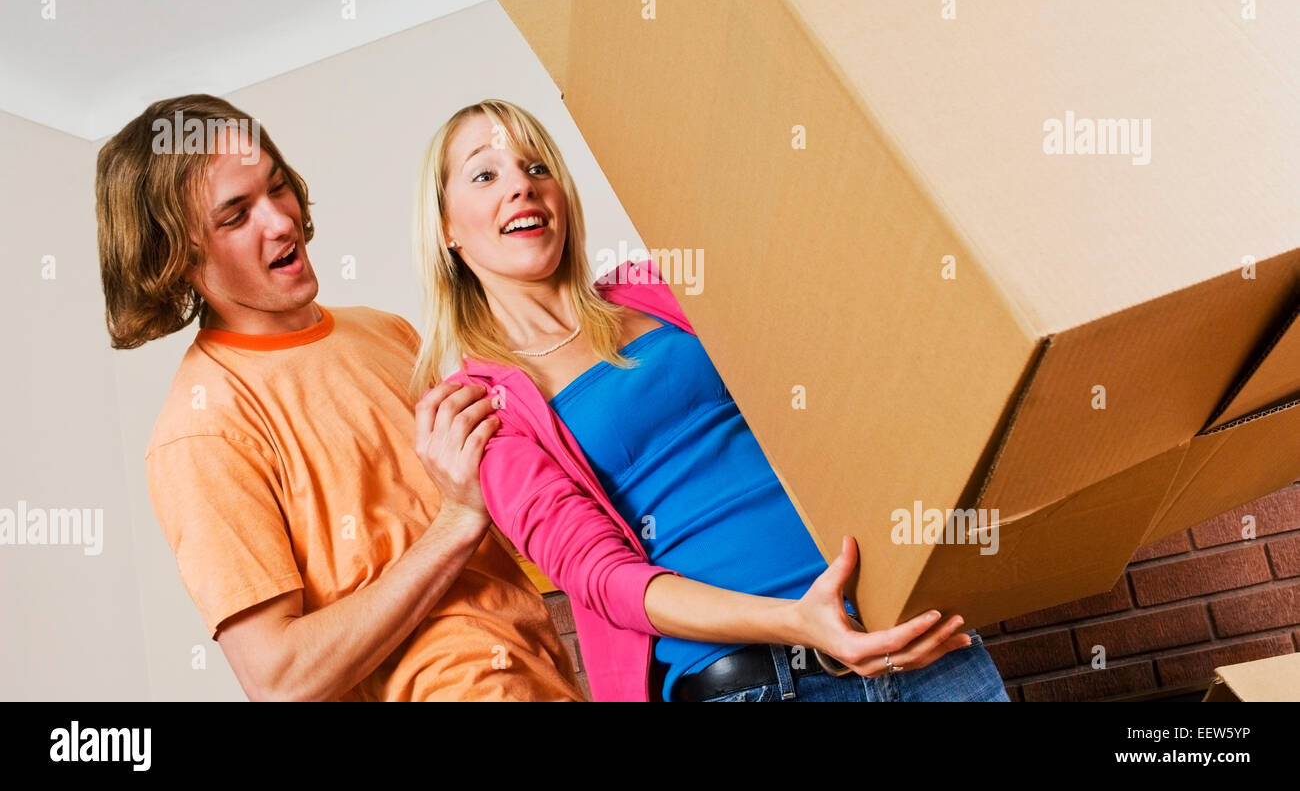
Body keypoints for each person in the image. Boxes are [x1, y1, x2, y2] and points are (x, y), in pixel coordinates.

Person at [409, 98, 1010, 702]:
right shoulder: (480, 411)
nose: (520, 186)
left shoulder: (657, 286)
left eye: (536, 167)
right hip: (760, 684)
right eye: (485, 174)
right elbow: (605, 581)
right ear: (447, 229)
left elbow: (825, 387)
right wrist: (800, 622)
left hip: (905, 632)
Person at [96, 94, 584, 701]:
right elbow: (279, 680)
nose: (279, 220)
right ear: (176, 258)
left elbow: (505, 518)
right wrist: (456, 522)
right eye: (235, 215)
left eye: (277, 188)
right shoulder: (203, 430)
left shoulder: (385, 332)